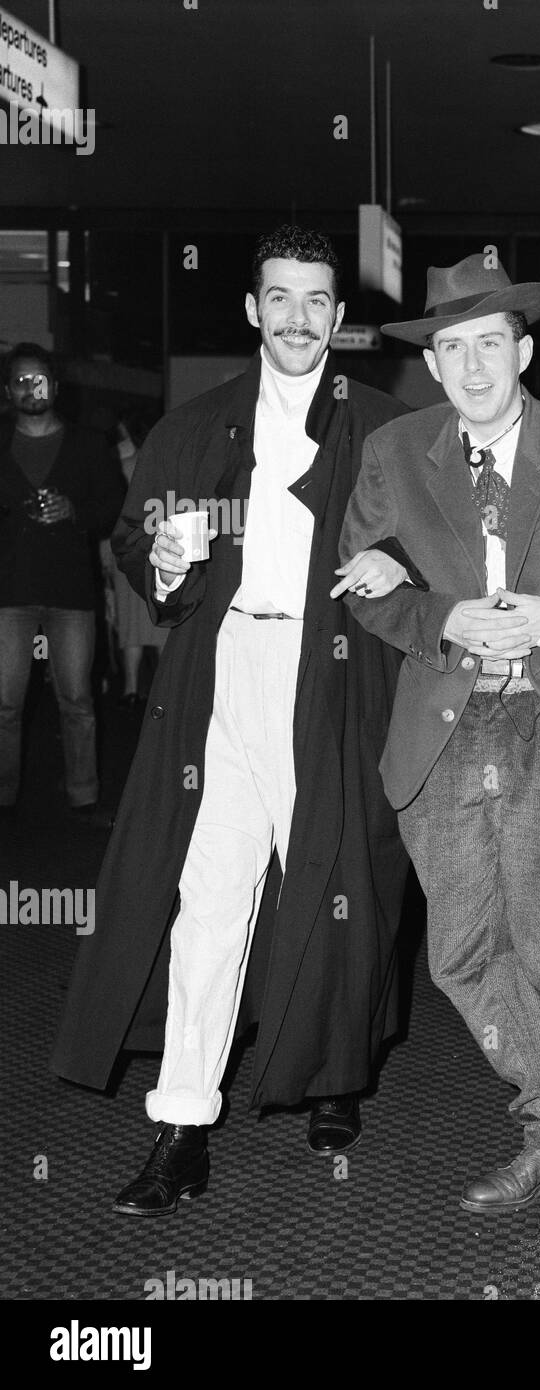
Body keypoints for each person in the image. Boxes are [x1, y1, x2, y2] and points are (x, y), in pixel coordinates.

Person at [51, 226, 413, 1212]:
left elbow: (435, 546)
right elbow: (135, 545)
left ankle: (333, 1075)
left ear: (339, 318)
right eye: (279, 298)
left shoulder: (385, 425)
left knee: (335, 884)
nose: (298, 318)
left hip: (331, 673)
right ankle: (181, 1120)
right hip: (221, 673)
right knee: (209, 898)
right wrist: (166, 564)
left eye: (316, 302)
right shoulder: (195, 423)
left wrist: (401, 567)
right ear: (252, 308)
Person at [340, 254, 540, 1212]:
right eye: (451, 349)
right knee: (464, 951)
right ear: (431, 365)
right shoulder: (397, 453)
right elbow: (362, 580)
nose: (471, 366)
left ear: (522, 349)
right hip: (448, 718)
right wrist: (435, 614)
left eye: (489, 345)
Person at [0, 343, 123, 819]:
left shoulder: (88, 443)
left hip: (71, 590)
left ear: (55, 385)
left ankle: (83, 796)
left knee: (77, 700)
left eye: (39, 378)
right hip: (9, 590)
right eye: (20, 380)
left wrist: (74, 512)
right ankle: (4, 798)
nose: (31, 388)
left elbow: (113, 507)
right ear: (8, 389)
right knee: (5, 705)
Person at [101, 412, 168, 708]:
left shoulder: (118, 467)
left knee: (130, 626)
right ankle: (167, 688)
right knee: (163, 620)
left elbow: (110, 517)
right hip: (162, 550)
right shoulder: (166, 464)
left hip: (128, 552)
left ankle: (130, 689)